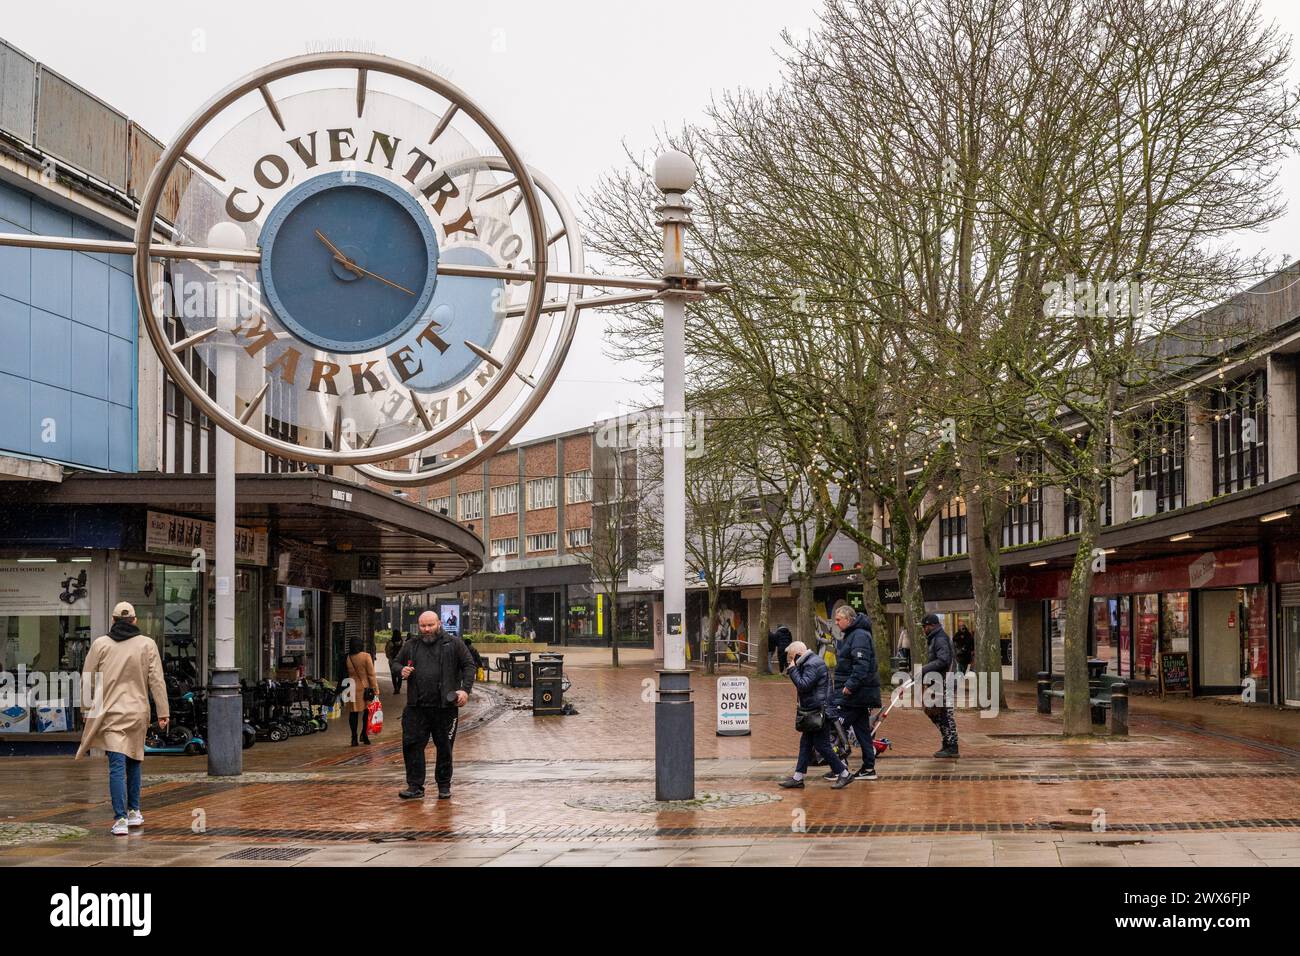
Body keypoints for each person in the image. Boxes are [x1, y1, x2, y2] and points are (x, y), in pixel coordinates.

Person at [75, 601, 170, 836]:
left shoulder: (100, 644)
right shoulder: (147, 645)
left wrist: (86, 709)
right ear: (135, 620)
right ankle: (134, 811)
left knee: (116, 764)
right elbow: (156, 680)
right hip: (137, 712)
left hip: (110, 713)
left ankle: (120, 819)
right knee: (135, 759)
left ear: (114, 620)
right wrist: (163, 712)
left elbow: (88, 678)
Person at [391, 610, 476, 800]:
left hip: (444, 708)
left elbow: (469, 665)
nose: (427, 629)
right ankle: (415, 786)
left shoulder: (453, 644)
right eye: (423, 626)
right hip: (416, 706)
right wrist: (401, 670)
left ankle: (444, 786)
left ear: (439, 623)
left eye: (430, 625)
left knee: (444, 746)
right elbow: (395, 663)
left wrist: (465, 690)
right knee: (412, 745)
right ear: (418, 626)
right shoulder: (411, 645)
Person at [779, 641, 853, 790]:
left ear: (798, 655)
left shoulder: (812, 664)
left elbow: (803, 684)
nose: (790, 663)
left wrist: (793, 669)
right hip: (814, 711)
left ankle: (844, 773)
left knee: (822, 745)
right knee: (805, 744)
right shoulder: (811, 662)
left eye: (791, 658)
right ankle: (798, 777)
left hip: (820, 711)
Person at [831, 604, 882, 780]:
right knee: (862, 731)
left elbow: (861, 665)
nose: (836, 623)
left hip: (855, 693)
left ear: (849, 619)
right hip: (860, 694)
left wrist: (849, 685)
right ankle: (868, 768)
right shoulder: (854, 634)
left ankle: (840, 767)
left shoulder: (858, 635)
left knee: (837, 726)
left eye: (839, 620)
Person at [920, 613, 960, 758]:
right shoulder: (935, 638)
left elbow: (943, 660)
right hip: (940, 681)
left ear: (931, 625)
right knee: (934, 711)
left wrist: (924, 669)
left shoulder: (940, 639)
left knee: (944, 714)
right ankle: (947, 741)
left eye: (925, 626)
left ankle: (952, 745)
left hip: (945, 681)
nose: (924, 629)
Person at [345, 635, 379, 746]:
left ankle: (353, 738)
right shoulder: (366, 656)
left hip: (351, 688)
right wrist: (375, 689)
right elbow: (371, 675)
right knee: (366, 712)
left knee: (353, 713)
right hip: (365, 688)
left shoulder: (347, 657)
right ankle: (364, 735)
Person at [385, 629, 405, 693]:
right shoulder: (402, 642)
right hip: (401, 661)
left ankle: (395, 689)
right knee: (400, 675)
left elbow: (387, 653)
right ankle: (398, 688)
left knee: (393, 675)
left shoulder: (390, 642)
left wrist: (390, 658)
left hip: (392, 661)